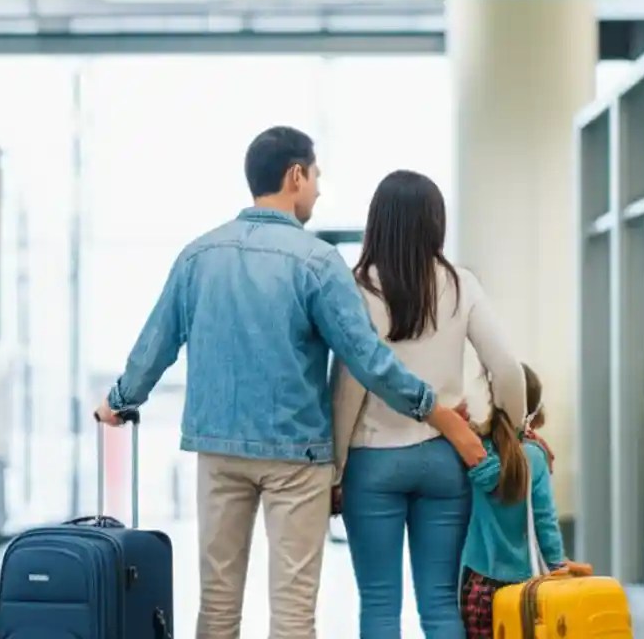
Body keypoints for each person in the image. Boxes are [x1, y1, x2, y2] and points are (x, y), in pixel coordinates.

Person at [95, 127, 484, 639]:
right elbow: (367, 360)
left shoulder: (197, 256)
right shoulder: (317, 262)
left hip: (218, 449)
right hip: (296, 457)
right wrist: (436, 413)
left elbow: (155, 348)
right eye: (316, 175)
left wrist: (119, 402)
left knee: (217, 602)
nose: (319, 189)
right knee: (294, 610)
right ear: (295, 175)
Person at [331, 169, 526, 638]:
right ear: (435, 223)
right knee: (440, 604)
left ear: (378, 222)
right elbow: (507, 369)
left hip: (372, 459)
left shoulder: (359, 288)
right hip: (444, 459)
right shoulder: (460, 283)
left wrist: (335, 472)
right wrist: (509, 433)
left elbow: (348, 390)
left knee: (379, 604)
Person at [458, 364, 589, 639]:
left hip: (476, 585)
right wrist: (557, 565)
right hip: (523, 589)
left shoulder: (472, 449)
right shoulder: (534, 458)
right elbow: (545, 521)